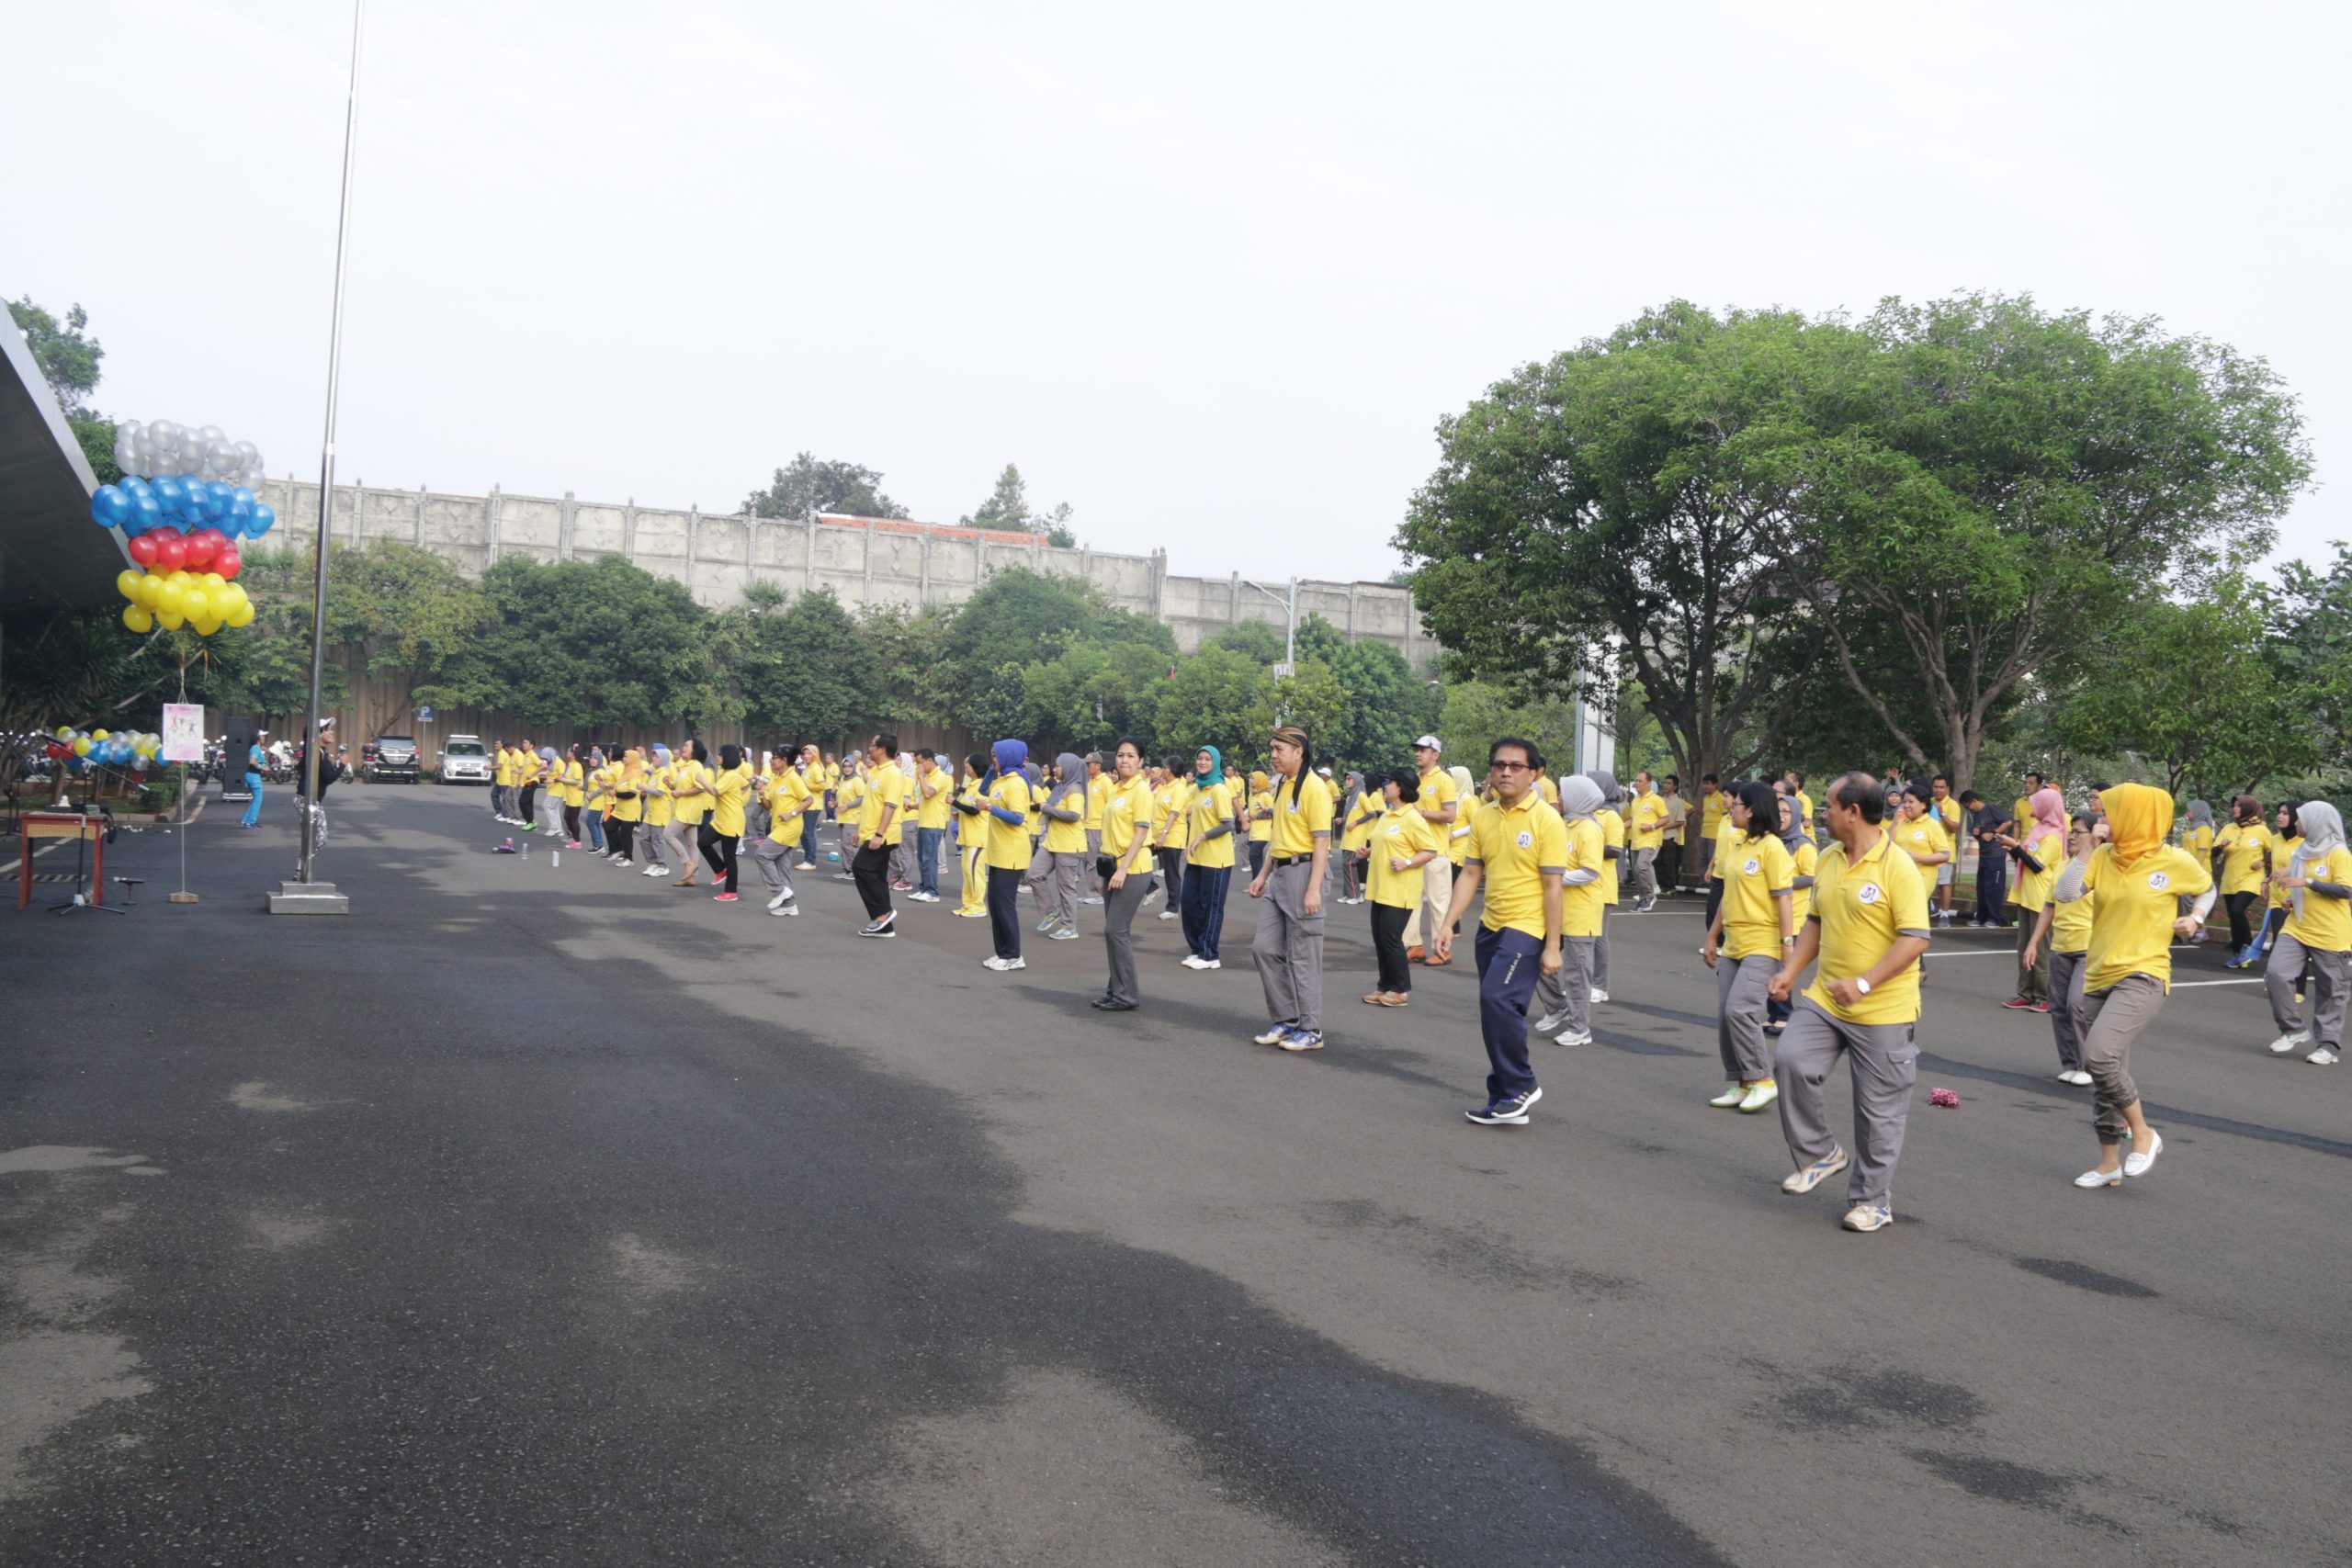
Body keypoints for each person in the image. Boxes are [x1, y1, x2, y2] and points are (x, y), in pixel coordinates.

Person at [1765, 773, 1931, 1233]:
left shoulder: (1897, 866)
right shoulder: (1829, 857)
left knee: (1878, 1112)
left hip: (1883, 1009)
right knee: (1791, 1060)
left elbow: (1916, 938)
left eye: (1829, 807)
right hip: (1826, 998)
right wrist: (1790, 972)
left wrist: (1864, 983)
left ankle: (1872, 1202)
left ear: (1853, 812)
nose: (1823, 814)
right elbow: (1815, 922)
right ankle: (1819, 1153)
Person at [2050, 784, 2216, 1188]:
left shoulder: (2173, 860)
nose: (2102, 818)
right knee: (2107, 1073)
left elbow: (2207, 888)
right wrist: (2090, 846)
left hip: (2144, 973)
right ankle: (2109, 1164)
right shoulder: (2103, 855)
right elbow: (2065, 893)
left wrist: (2195, 917)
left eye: (2110, 812)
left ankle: (2143, 1133)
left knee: (2098, 1055)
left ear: (2136, 816)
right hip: (2099, 974)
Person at [1434, 739, 1569, 1126]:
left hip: (1526, 928)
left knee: (1497, 999)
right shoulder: (1483, 816)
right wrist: (1447, 923)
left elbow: (1553, 887)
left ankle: (1521, 1084)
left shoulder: (1547, 820)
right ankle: (1505, 1096)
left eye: (1515, 766)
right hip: (1491, 927)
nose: (1506, 772)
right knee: (1497, 1010)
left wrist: (1553, 946)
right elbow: (1470, 874)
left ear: (1535, 773)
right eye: (1499, 765)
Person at [1703, 781, 1795, 1113]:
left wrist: (1787, 949)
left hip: (1763, 942)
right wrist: (1712, 937)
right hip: (1734, 943)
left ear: (1753, 810)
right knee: (1725, 1015)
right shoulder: (1739, 843)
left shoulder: (1773, 848)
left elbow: (1784, 899)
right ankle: (1742, 1083)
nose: (1731, 808)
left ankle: (1763, 1079)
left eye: (1737, 804)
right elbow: (1728, 897)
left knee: (1739, 1010)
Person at [1247, 725, 1333, 1052]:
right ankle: (1286, 1018)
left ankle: (1311, 1029)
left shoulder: (1314, 788)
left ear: (1299, 752)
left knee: (1303, 956)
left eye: (1278, 749)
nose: (1272, 755)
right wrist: (1262, 874)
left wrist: (1314, 889)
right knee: (1264, 947)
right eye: (1272, 748)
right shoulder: (1283, 784)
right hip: (1280, 874)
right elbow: (1280, 836)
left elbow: (1322, 841)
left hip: (1305, 873)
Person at [2262, 802, 2349, 1065]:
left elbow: (2346, 890)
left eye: (2300, 819)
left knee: (2331, 991)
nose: (2296, 823)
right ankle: (2293, 1030)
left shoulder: (2339, 853)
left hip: (2330, 933)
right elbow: (2301, 886)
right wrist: (2293, 898)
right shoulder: (2303, 850)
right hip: (2297, 926)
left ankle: (2328, 1045)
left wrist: (2307, 883)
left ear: (2316, 822)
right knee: (2276, 974)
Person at [1525, 774, 1607, 1046]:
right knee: (1535, 958)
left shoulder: (1589, 829)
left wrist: (1556, 878)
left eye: (1563, 794)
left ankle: (1580, 1028)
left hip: (1581, 912)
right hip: (1558, 910)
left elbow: (1590, 871)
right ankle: (1557, 1006)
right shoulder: (1565, 824)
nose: (1559, 798)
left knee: (1576, 974)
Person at [2021, 814, 2098, 1086]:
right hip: (2060, 946)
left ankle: (2089, 1066)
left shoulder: (2100, 867)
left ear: (2095, 836)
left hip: (2089, 947)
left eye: (2079, 832)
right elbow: (2049, 907)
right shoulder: (2063, 866)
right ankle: (2071, 1064)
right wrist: (2033, 943)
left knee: (2076, 1004)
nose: (2073, 836)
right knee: (2058, 1007)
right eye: (2072, 831)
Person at [1363, 767, 1443, 1007]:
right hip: (1380, 887)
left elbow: (1430, 850)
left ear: (1400, 788)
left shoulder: (1412, 817)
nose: (1384, 786)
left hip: (1400, 890)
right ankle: (1384, 986)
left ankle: (1400, 990)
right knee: (1380, 938)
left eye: (1389, 782)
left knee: (1391, 938)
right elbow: (1384, 843)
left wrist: (1407, 862)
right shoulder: (1387, 815)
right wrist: (1368, 851)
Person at [1093, 739, 1158, 1011]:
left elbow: (1141, 834)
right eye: (1120, 755)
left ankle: (1127, 995)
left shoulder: (1141, 790)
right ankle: (1116, 990)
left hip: (1132, 869)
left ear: (1141, 761)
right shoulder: (1117, 788)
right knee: (1115, 933)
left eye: (1131, 756)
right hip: (1112, 867)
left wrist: (1122, 869)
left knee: (1115, 930)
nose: (1124, 760)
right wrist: (1107, 873)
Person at [1998, 784, 2066, 1010]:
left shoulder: (2053, 835)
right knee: (2024, 947)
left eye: (2036, 804)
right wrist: (2012, 848)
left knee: (2041, 951)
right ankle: (2025, 993)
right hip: (2026, 895)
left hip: (2041, 899)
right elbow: (2026, 858)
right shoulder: (2039, 829)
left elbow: (2037, 866)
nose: (2031, 808)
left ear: (2047, 806)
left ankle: (2044, 996)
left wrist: (2015, 846)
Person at [1762, 794, 1819, 1037]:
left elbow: (1812, 876)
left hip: (1794, 917)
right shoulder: (1770, 841)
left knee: (1784, 967)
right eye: (1778, 812)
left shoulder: (1803, 845)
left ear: (1796, 816)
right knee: (1770, 968)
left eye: (1786, 812)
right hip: (1771, 916)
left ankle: (1785, 1015)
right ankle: (1773, 1014)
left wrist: (1783, 882)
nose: (1781, 817)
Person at [1180, 746, 1238, 969]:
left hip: (1216, 859)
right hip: (1196, 857)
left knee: (1210, 906)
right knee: (1189, 903)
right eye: (1199, 758)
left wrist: (1203, 835)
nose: (1202, 762)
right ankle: (1197, 949)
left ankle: (1209, 955)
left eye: (1207, 759)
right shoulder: (1199, 788)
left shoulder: (1219, 789)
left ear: (1215, 762)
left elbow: (1228, 824)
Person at [979, 739, 1034, 969]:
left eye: (997, 755)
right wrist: (992, 768)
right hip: (998, 850)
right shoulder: (1002, 779)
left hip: (1011, 851)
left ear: (1008, 756)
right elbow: (983, 790)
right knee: (994, 903)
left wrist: (990, 808)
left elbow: (1018, 818)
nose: (994, 758)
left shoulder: (1017, 783)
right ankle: (1002, 953)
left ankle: (1013, 955)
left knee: (1004, 904)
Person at [850, 735, 910, 937]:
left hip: (884, 834)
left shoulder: (892, 773)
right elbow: (870, 805)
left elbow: (890, 806)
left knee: (861, 867)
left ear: (882, 749)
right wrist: (859, 830)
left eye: (872, 745)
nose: (869, 748)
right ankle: (885, 927)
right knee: (877, 875)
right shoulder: (876, 772)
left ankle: (884, 912)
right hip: (870, 832)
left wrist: (878, 834)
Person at [1407, 736, 1457, 964]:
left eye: (1423, 750)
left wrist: (1423, 813)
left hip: (1436, 852)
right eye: (1416, 749)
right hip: (1415, 850)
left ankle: (1442, 950)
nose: (1418, 753)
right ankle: (1414, 945)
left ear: (1436, 755)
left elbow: (1450, 815)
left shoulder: (1444, 780)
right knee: (1411, 901)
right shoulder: (1415, 779)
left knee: (1438, 904)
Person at [1028, 751, 1088, 938]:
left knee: (1066, 887)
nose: (1055, 769)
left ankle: (1069, 927)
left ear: (1068, 768)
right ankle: (1051, 912)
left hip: (1069, 845)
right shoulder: (1061, 787)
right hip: (1052, 842)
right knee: (1034, 874)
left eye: (1058, 766)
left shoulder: (1075, 790)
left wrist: (1049, 809)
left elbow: (1074, 815)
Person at [2215, 795, 2274, 967]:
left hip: (2251, 878)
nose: (2234, 808)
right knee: (2233, 917)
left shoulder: (2261, 830)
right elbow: (2213, 852)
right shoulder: (2228, 828)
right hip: (2230, 879)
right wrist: (2220, 847)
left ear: (2248, 808)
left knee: (2237, 909)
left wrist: (2263, 862)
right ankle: (2238, 956)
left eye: (2238, 806)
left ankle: (2247, 947)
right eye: (2233, 806)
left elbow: (2275, 850)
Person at [1585, 769, 1625, 1000]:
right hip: (1586, 884)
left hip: (1602, 884)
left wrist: (1587, 847)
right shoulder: (1588, 812)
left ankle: (1600, 986)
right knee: (1584, 937)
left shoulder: (1611, 816)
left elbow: (1614, 849)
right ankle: (1584, 983)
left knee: (1599, 938)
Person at [750, 752, 808, 915]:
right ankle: (790, 905)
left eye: (775, 758)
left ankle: (780, 891)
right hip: (778, 826)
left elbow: (808, 799)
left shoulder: (793, 777)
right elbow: (768, 805)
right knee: (782, 867)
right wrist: (762, 793)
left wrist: (792, 813)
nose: (771, 761)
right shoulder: (775, 778)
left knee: (762, 854)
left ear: (784, 760)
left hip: (790, 827)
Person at [2248, 803, 2302, 967]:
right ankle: (2277, 976)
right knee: (2279, 939)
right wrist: (2266, 880)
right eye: (2279, 812)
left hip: (2299, 899)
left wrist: (2288, 870)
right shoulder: (2275, 839)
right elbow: (2273, 865)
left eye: (2285, 813)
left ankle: (2295, 978)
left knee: (2297, 944)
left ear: (2296, 817)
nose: (2279, 816)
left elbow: (2311, 867)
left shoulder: (2306, 841)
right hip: (2277, 899)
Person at [1149, 756, 1190, 921]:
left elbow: (1174, 813)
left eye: (1164, 767)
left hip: (1172, 835)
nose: (1161, 769)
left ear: (1171, 770)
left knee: (1171, 872)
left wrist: (1164, 833)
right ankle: (1152, 889)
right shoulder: (1163, 787)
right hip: (1155, 834)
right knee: (1138, 858)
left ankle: (1172, 909)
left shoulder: (1179, 788)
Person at [905, 750, 948, 903]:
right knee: (923, 859)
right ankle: (924, 888)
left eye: (920, 763)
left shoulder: (940, 776)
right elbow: (925, 801)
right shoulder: (929, 776)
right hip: (924, 822)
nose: (918, 766)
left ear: (930, 760)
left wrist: (921, 776)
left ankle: (932, 892)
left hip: (934, 824)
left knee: (929, 859)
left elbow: (928, 794)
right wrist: (912, 806)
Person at [669, 741, 714, 886]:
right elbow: (678, 787)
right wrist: (669, 784)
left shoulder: (696, 766)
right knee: (692, 843)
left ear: (695, 750)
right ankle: (691, 878)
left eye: (687, 746)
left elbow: (700, 788)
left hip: (689, 810)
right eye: (683, 745)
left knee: (668, 834)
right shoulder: (685, 766)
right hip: (683, 808)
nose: (683, 747)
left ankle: (688, 863)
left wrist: (681, 792)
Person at [951, 752, 989, 919]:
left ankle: (978, 906)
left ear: (976, 767)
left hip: (978, 837)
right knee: (967, 871)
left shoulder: (982, 786)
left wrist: (954, 802)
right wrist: (959, 811)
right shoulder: (971, 785)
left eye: (969, 764)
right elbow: (967, 807)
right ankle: (968, 904)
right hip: (968, 836)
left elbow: (974, 810)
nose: (966, 766)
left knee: (975, 872)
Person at [1961, 790, 2007, 926]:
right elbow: (1981, 833)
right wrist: (1976, 834)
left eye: (1968, 806)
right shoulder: (1976, 815)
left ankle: (1994, 918)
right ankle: (1981, 917)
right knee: (1982, 887)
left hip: (1996, 853)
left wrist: (1993, 833)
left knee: (1994, 888)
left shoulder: (1991, 808)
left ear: (1974, 801)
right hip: (1984, 854)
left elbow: (2007, 822)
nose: (1968, 810)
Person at [2178, 799, 2217, 943]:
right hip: (2186, 869)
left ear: (2198, 811)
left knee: (2193, 901)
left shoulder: (2204, 829)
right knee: (2186, 900)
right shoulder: (2190, 829)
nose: (2187, 813)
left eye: (2189, 810)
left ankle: (2200, 930)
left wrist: (2193, 869)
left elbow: (2202, 852)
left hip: (2200, 870)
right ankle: (2192, 929)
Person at [1627, 772, 1667, 911]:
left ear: (1648, 783)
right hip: (1635, 840)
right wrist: (1617, 826)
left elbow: (1666, 818)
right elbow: (1632, 820)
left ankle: (1650, 896)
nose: (1637, 783)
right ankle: (1643, 898)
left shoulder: (1656, 800)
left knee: (1641, 866)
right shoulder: (1635, 800)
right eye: (1636, 780)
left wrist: (1651, 827)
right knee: (1636, 871)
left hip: (1650, 840)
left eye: (1640, 781)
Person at [1929, 774, 1962, 925]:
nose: (1938, 790)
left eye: (1941, 787)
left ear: (1947, 788)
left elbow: (1954, 828)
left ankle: (1944, 915)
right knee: (1927, 881)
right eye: (1936, 787)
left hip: (1944, 850)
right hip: (1927, 850)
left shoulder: (1953, 805)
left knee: (1944, 884)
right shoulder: (1927, 802)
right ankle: (1929, 909)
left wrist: (1942, 812)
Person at [605, 749, 645, 867]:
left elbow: (632, 793)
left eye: (627, 757)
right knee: (608, 826)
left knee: (626, 835)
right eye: (624, 756)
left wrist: (616, 794)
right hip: (619, 808)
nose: (624, 758)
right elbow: (618, 786)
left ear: (633, 759)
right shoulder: (625, 772)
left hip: (630, 809)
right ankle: (620, 850)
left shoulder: (635, 775)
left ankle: (629, 859)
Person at [1082, 750, 1110, 904]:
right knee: (1088, 860)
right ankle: (1090, 892)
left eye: (1089, 764)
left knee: (1093, 861)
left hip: (1098, 826)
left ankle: (1095, 894)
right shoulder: (1090, 782)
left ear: (1098, 766)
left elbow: (1110, 805)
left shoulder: (1105, 782)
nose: (1086, 767)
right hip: (1087, 825)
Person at [1698, 774, 1726, 917]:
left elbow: (1725, 816)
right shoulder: (1705, 798)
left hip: (1715, 835)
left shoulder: (1720, 798)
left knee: (1712, 859)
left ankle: (1713, 887)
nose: (1705, 786)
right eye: (1704, 784)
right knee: (1703, 859)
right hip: (1705, 833)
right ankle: (1704, 885)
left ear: (1715, 785)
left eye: (1708, 784)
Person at [1657, 774, 1689, 894]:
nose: (1666, 785)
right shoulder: (1660, 800)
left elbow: (1681, 821)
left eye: (1669, 783)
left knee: (1669, 862)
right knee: (1659, 861)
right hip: (1657, 836)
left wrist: (1664, 826)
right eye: (1665, 783)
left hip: (1670, 836)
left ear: (1675, 786)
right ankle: (1661, 885)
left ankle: (1671, 886)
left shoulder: (1678, 802)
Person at [1244, 769, 1274, 879]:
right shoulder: (1251, 795)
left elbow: (1274, 813)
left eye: (1253, 779)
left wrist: (1258, 816)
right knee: (1257, 857)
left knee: (1253, 854)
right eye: (1250, 778)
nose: (1250, 780)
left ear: (1260, 780)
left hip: (1264, 831)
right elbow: (1251, 813)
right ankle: (1258, 882)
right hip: (1254, 831)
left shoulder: (1266, 795)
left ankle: (1257, 880)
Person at [239, 732, 266, 829]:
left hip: (252, 775)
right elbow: (252, 761)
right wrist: (263, 767)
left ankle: (246, 820)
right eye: (262, 736)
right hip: (254, 775)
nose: (264, 737)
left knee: (256, 799)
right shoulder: (255, 748)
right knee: (258, 799)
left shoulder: (257, 748)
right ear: (257, 737)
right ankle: (250, 821)